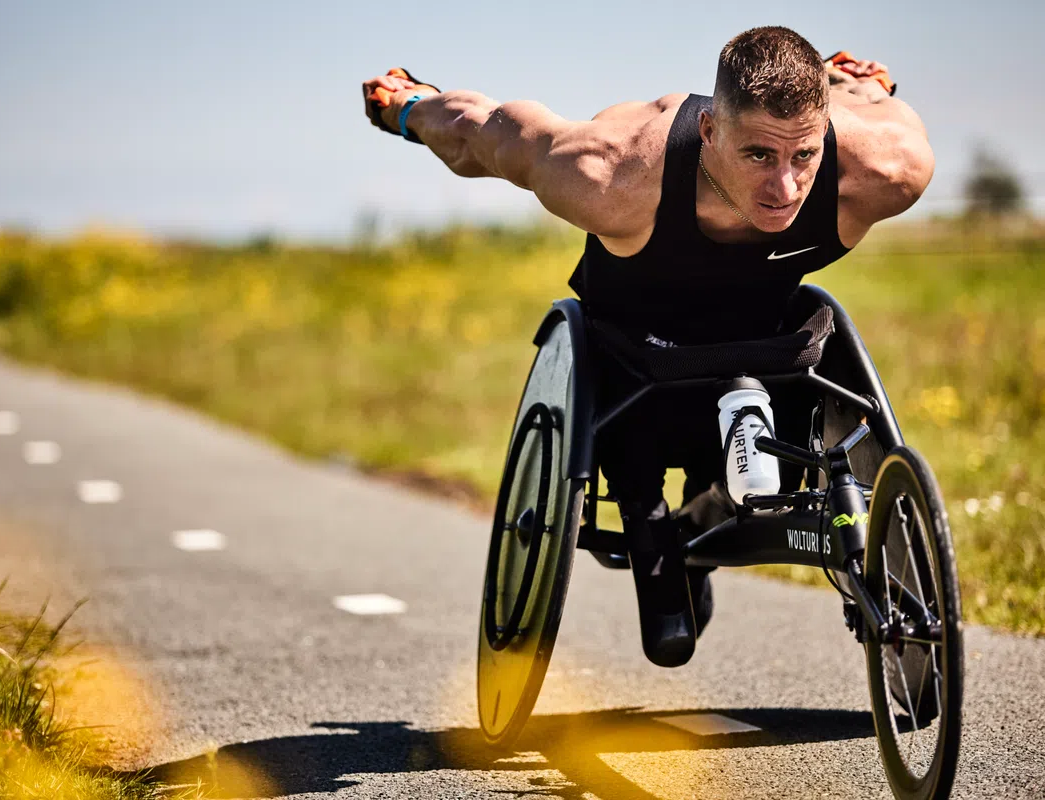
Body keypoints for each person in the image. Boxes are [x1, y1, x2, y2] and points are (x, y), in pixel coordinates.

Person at [361, 26, 933, 667]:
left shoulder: (883, 171)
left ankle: (699, 519)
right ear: (712, 131)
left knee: (800, 371)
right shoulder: (612, 173)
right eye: (758, 158)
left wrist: (854, 83)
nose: (785, 189)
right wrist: (408, 107)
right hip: (634, 371)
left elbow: (880, 114)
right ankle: (649, 515)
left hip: (767, 357)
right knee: (641, 464)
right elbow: (482, 132)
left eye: (802, 157)